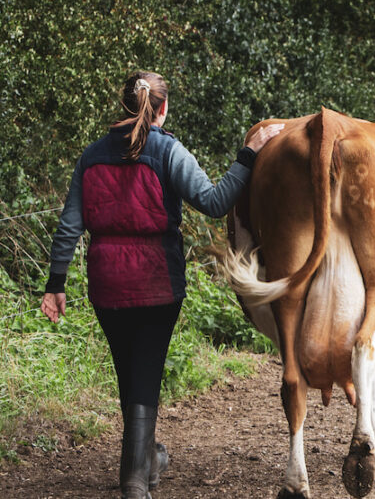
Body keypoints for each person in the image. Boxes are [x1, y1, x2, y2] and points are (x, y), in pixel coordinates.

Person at [40, 70, 283, 498]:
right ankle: (134, 482)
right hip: (156, 281)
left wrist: (55, 283)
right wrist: (247, 156)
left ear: (124, 104)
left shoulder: (91, 155)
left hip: (107, 284)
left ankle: (148, 459)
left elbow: (69, 226)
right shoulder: (169, 150)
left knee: (129, 371)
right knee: (146, 372)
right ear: (163, 108)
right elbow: (213, 202)